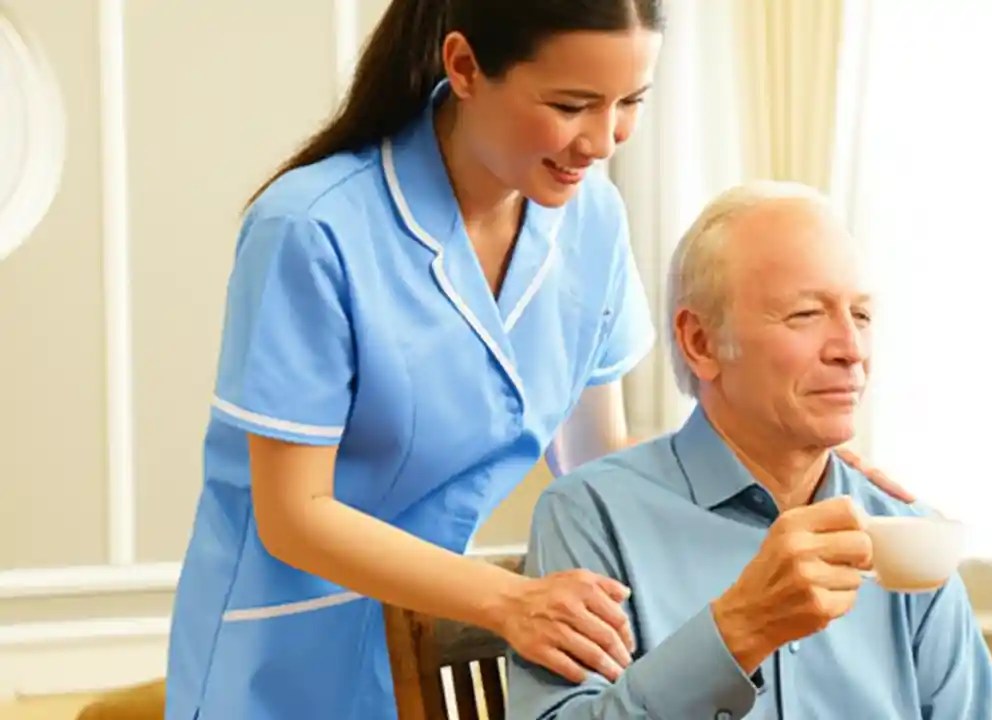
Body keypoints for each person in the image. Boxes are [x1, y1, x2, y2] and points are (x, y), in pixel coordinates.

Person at [162, 2, 915, 718]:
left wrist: (784, 462)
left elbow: (595, 461)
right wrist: (507, 599)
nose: (603, 139)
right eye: (571, 104)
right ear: (463, 65)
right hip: (285, 655)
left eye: (630, 102)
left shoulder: (591, 222)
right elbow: (294, 515)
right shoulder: (312, 227)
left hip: (439, 638)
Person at [507, 181, 992, 719]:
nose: (850, 349)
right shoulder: (590, 514)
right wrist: (736, 632)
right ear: (701, 343)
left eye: (861, 316)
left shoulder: (908, 537)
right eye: (806, 315)